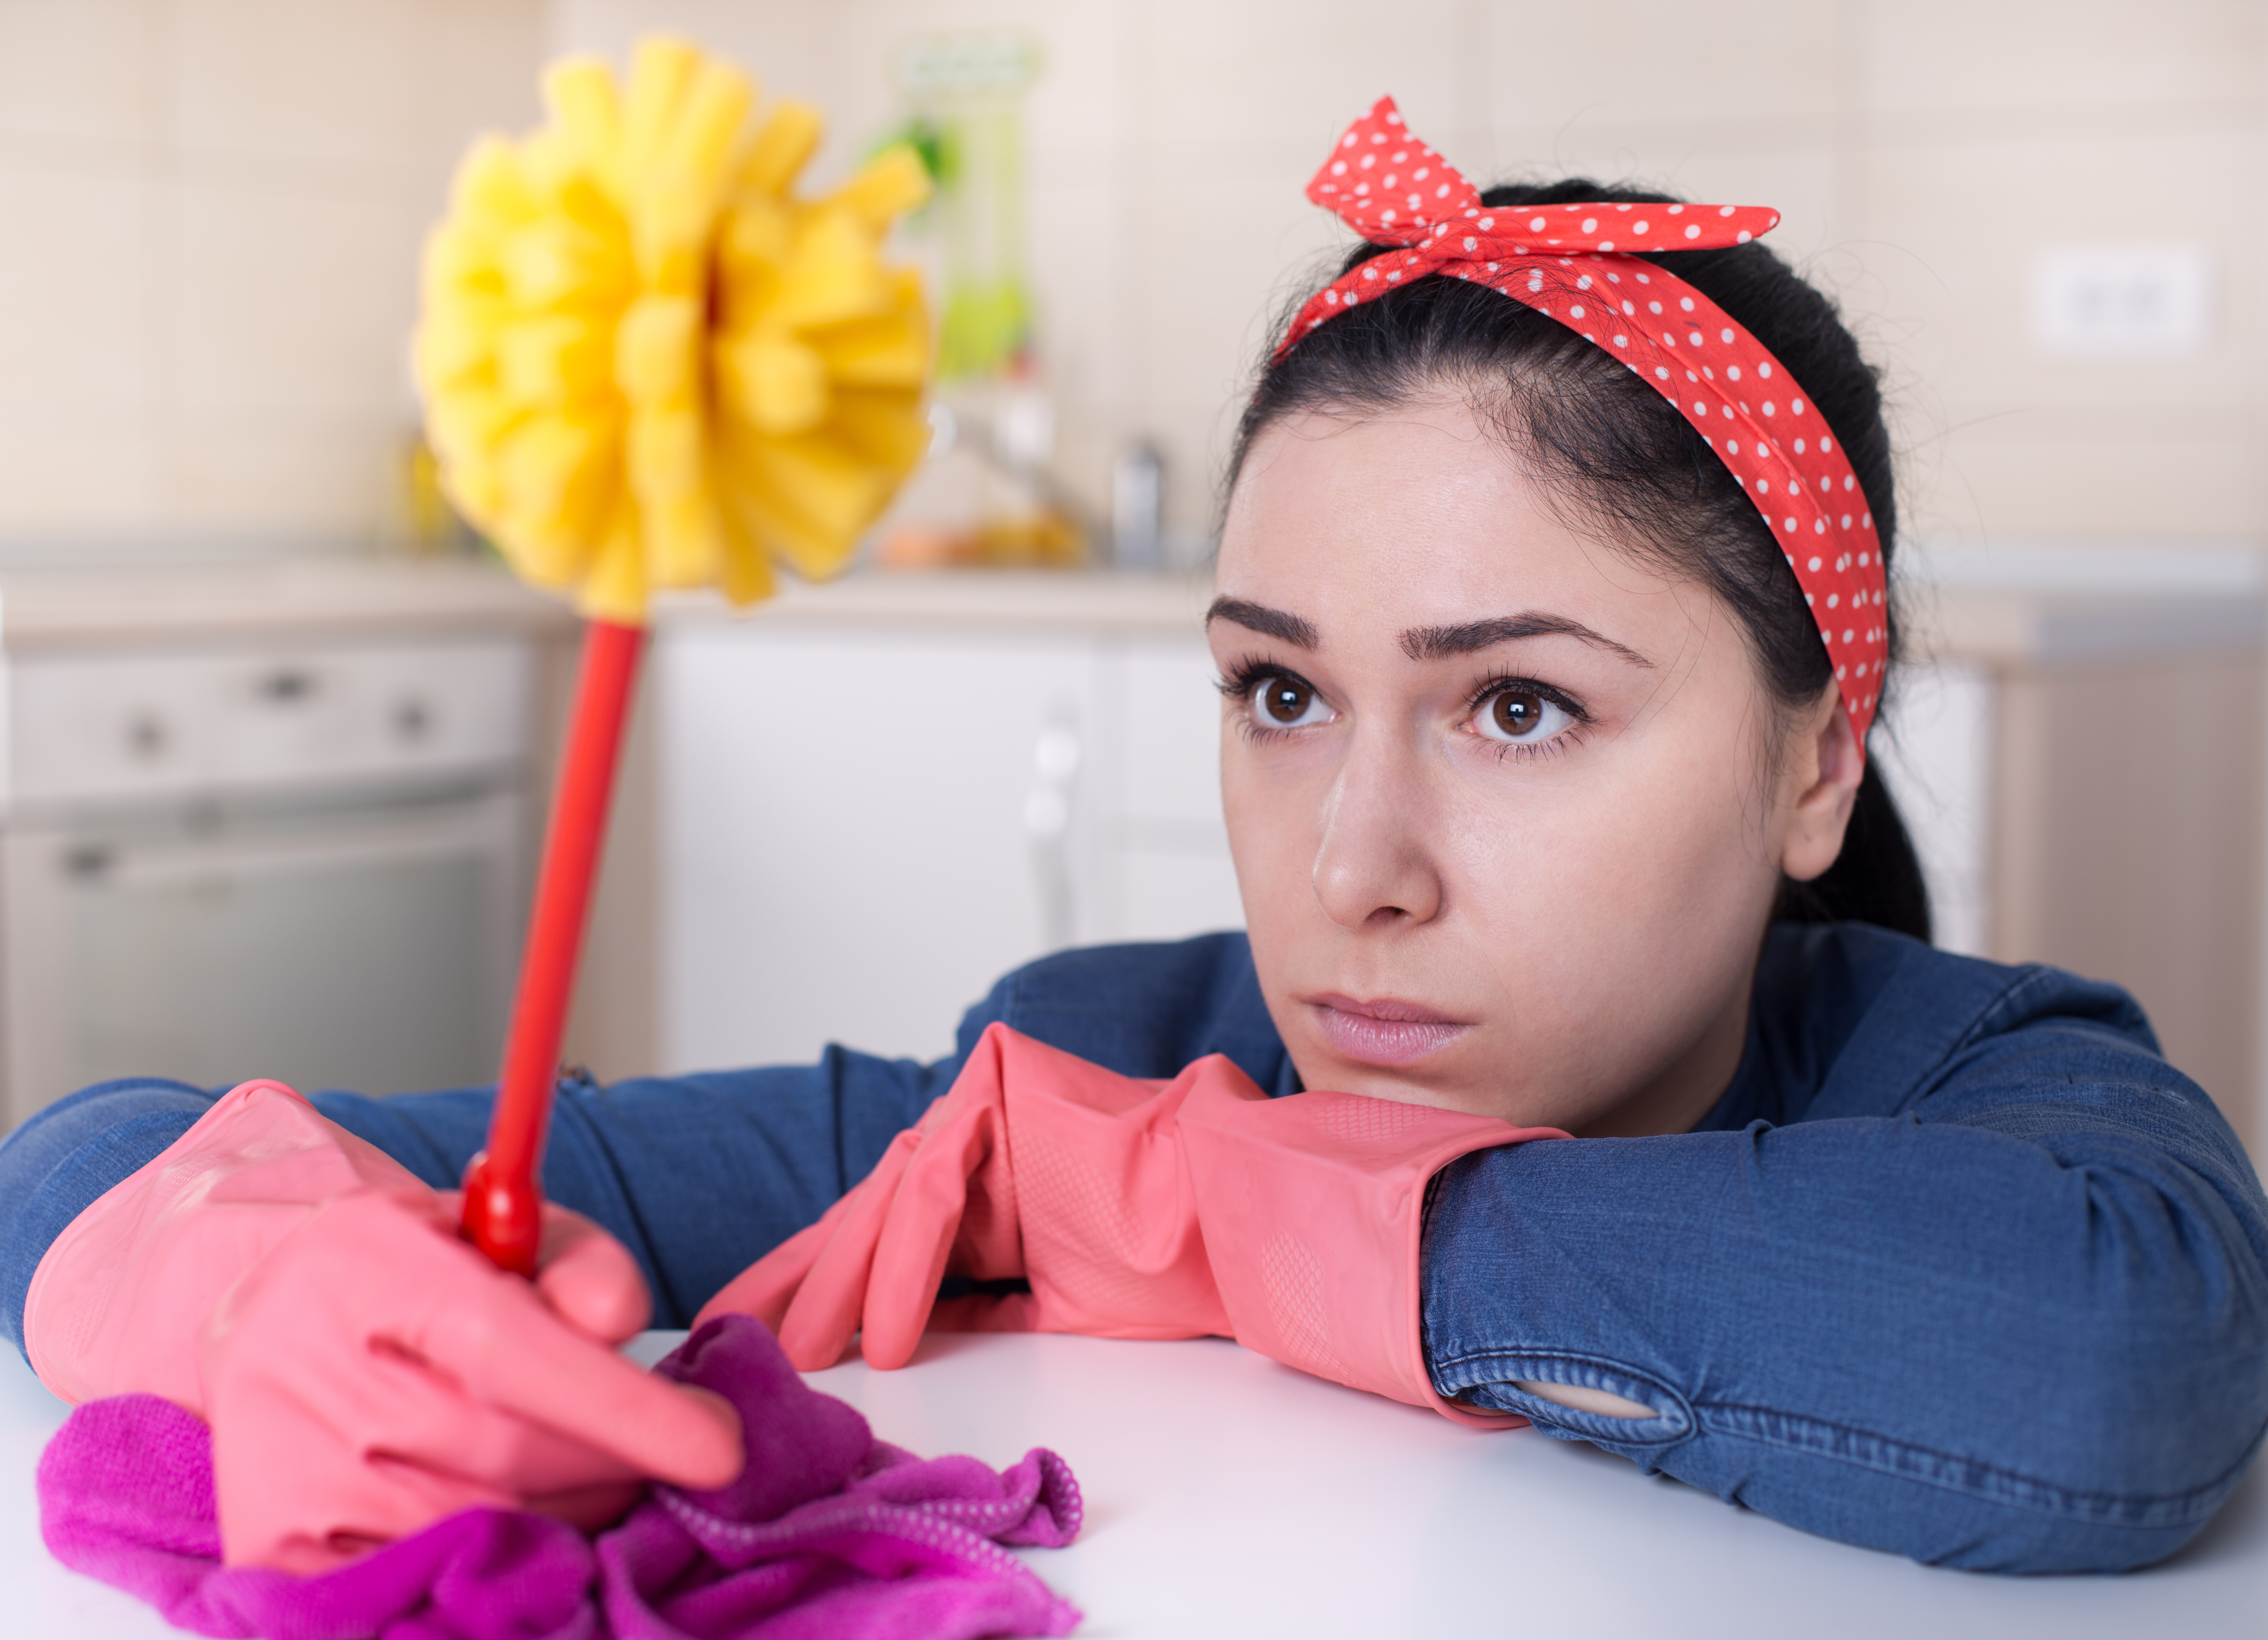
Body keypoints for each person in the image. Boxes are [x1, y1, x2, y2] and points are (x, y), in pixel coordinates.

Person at [5, 100, 2264, 1579]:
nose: (1350, 865)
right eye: (1280, 694)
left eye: (1514, 706)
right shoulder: (1080, 1070)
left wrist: (1217, 1198)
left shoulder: (1999, 1093)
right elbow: (81, 1155)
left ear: (1812, 763)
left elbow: (2108, 1368)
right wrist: (250, 1274)